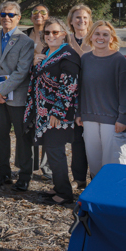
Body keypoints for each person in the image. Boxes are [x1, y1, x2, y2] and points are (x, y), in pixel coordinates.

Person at [24, 17, 81, 205]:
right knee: (51, 149)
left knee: (56, 151)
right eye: (47, 33)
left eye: (55, 32)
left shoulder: (68, 55)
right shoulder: (46, 52)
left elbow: (69, 86)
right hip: (42, 112)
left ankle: (65, 194)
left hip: (57, 113)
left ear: (64, 34)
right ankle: (58, 186)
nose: (50, 36)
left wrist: (57, 111)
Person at [0, 2, 36, 190]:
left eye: (11, 15)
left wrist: (1, 90)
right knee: (0, 135)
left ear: (18, 18)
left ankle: (24, 175)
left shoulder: (26, 42)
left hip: (17, 97)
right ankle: (3, 172)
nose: (7, 18)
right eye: (3, 14)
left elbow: (22, 72)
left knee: (22, 138)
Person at [77, 21, 126, 177]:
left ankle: (115, 197)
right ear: (91, 36)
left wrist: (123, 117)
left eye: (105, 34)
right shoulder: (85, 59)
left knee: (114, 164)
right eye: (97, 33)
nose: (100, 37)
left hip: (113, 120)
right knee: (94, 165)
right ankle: (97, 198)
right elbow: (80, 88)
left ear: (112, 38)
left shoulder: (119, 60)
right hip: (89, 119)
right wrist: (78, 113)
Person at [65, 4, 93, 187]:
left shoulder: (96, 39)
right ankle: (79, 178)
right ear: (71, 21)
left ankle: (97, 178)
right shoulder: (65, 41)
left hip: (93, 97)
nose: (81, 21)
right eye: (77, 17)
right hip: (71, 98)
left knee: (94, 140)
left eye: (84, 17)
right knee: (76, 140)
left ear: (89, 20)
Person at [26, 4, 50, 179]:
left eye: (43, 12)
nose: (38, 15)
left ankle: (47, 167)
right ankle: (31, 163)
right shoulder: (25, 34)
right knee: (30, 124)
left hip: (47, 86)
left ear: (48, 16)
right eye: (35, 12)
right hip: (28, 85)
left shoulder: (51, 34)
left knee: (48, 126)